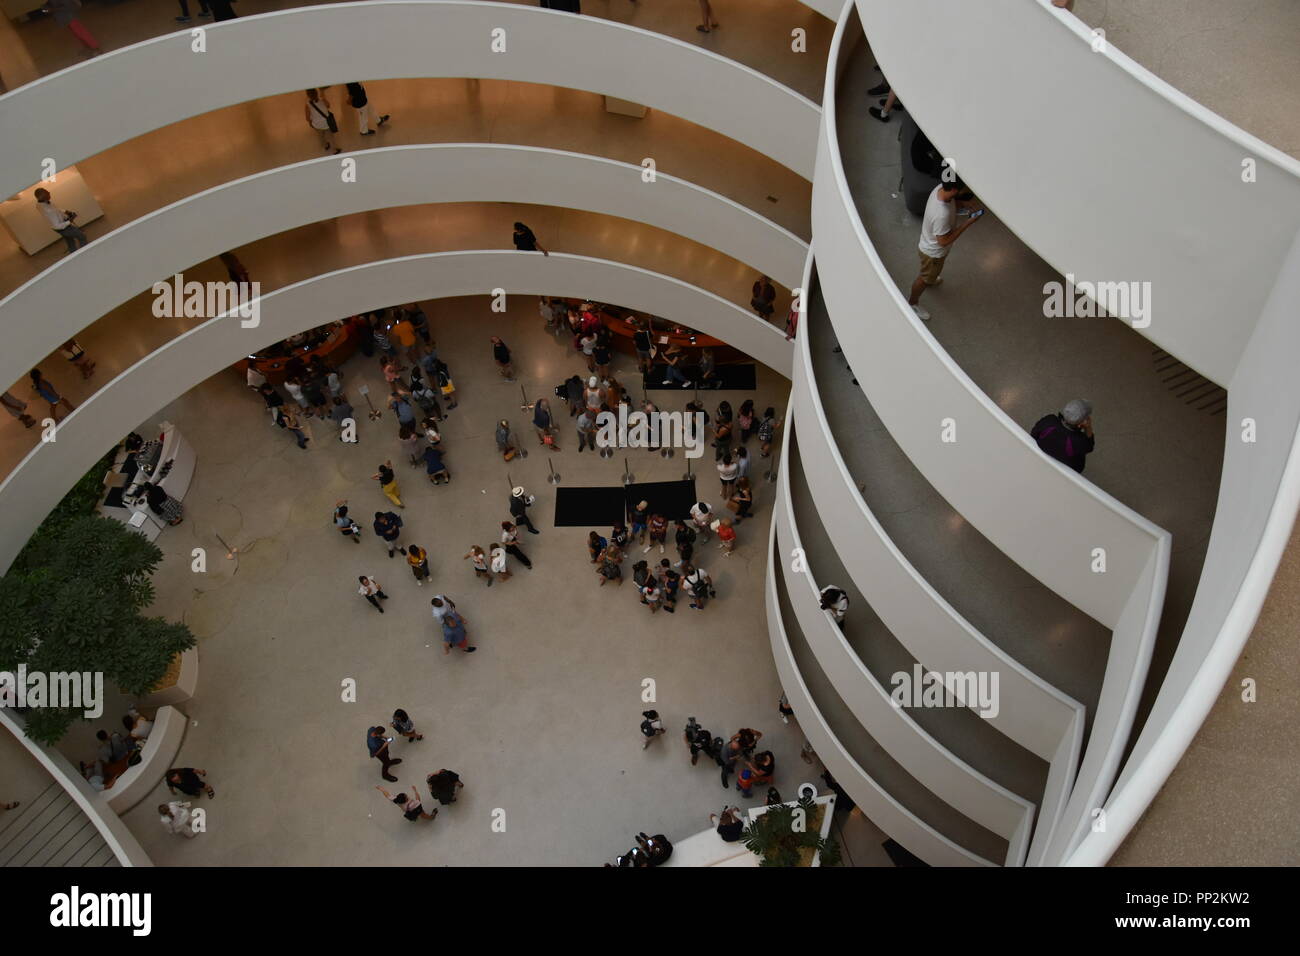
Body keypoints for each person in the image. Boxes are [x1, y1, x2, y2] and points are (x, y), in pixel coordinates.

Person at [907, 181, 985, 321]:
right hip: (933, 254)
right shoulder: (942, 214)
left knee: (931, 274)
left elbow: (952, 202)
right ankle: (912, 303)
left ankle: (931, 278)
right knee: (924, 279)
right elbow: (943, 241)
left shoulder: (940, 188)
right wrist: (968, 223)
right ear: (955, 189)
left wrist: (963, 205)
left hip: (928, 246)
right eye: (962, 191)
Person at [1031, 399, 1095, 473]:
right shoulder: (1080, 441)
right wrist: (1088, 427)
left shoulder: (1049, 420)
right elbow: (1090, 447)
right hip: (1067, 470)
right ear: (1081, 424)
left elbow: (1033, 434)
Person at [304, 89, 341, 155]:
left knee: (320, 136)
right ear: (317, 93)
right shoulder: (322, 100)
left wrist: (310, 122)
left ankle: (325, 146)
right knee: (330, 136)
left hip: (317, 125)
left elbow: (307, 118)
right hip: (326, 123)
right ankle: (334, 150)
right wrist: (324, 97)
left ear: (308, 95)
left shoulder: (307, 105)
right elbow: (328, 106)